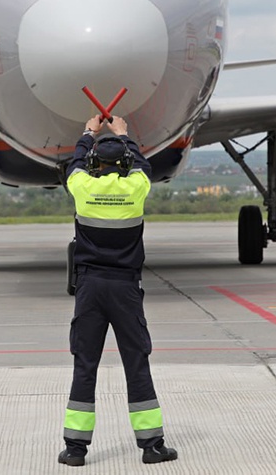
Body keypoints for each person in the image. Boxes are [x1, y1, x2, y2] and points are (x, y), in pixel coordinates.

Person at [58, 114, 178, 467]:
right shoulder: (137, 187)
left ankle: (75, 450)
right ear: (125, 163)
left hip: (90, 287)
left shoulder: (82, 186)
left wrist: (88, 133)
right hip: (126, 288)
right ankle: (151, 446)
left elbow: (74, 164)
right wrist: (124, 135)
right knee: (136, 363)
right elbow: (143, 166)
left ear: (94, 164)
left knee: (85, 365)